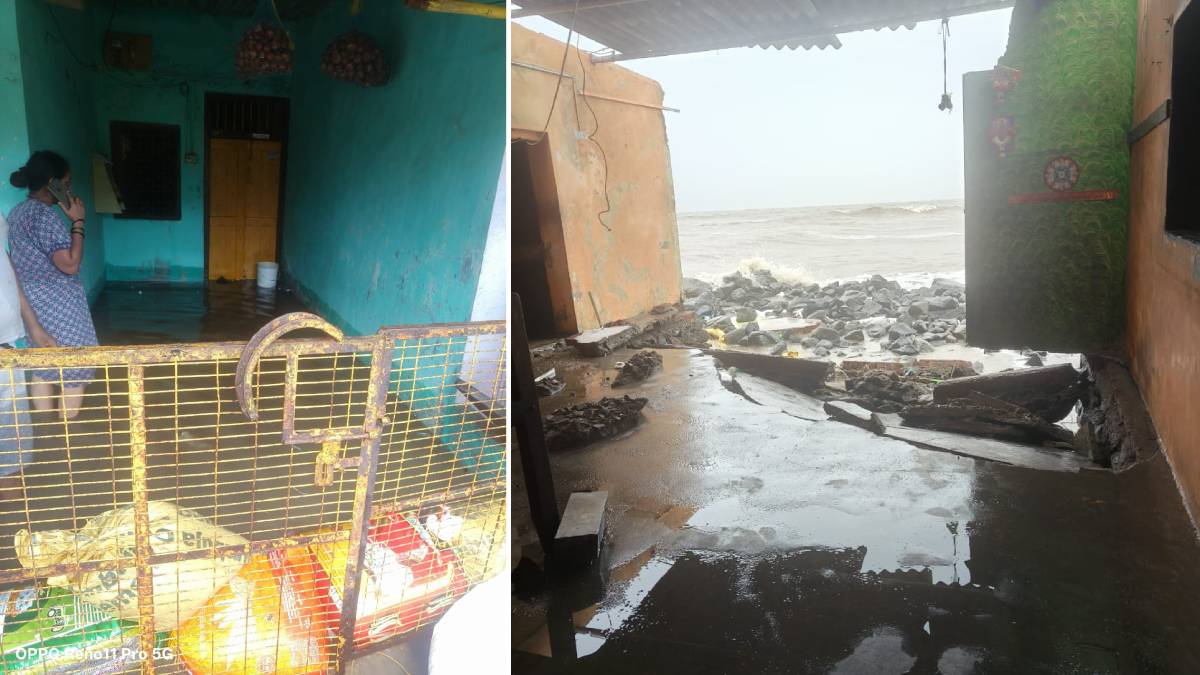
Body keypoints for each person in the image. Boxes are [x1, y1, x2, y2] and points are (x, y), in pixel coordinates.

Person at [8, 150, 97, 420]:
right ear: (53, 183)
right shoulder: (44, 216)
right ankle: (67, 435)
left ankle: (49, 434)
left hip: (31, 305)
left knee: (43, 368)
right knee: (75, 369)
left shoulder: (17, 213)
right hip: (59, 306)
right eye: (66, 183)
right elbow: (69, 264)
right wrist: (78, 221)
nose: (69, 189)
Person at [0, 210, 55, 500]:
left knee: (11, 449)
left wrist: (32, 324)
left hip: (8, 342)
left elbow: (4, 263)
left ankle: (16, 525)